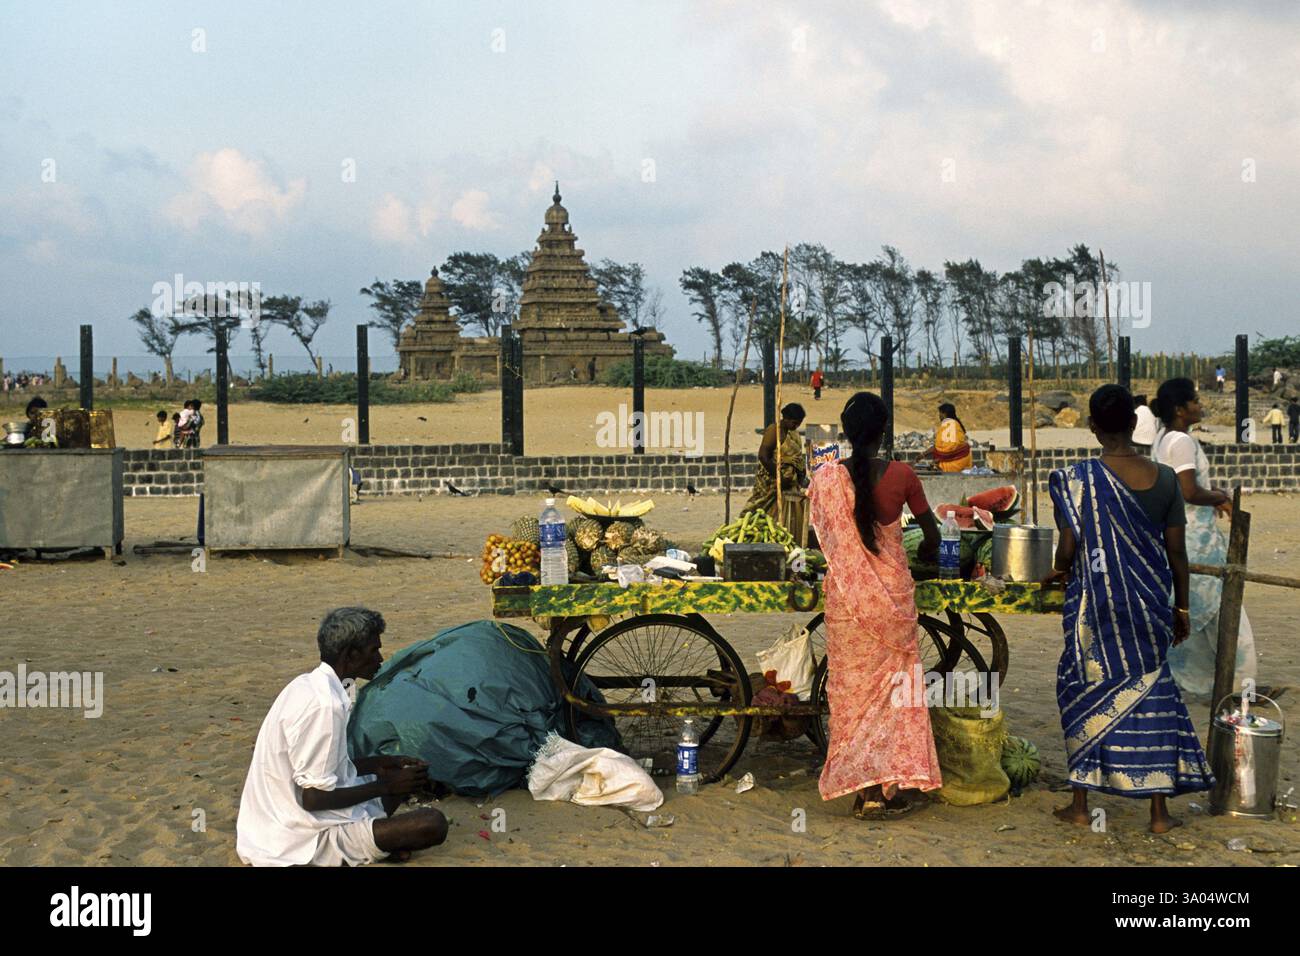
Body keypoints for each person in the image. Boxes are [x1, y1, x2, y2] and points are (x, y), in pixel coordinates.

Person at [1044, 385, 1213, 834]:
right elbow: (1176, 554)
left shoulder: (1076, 480)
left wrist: (1059, 569)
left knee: (1084, 689)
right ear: (1134, 425)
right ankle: (1158, 814)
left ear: (1094, 427)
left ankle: (1081, 803)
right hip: (1150, 604)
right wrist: (1181, 609)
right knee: (1153, 693)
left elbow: (1068, 549)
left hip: (1095, 609)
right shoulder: (1165, 480)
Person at [809, 392, 942, 818]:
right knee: (892, 699)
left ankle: (863, 789)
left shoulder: (826, 479)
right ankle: (886, 789)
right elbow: (933, 536)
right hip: (894, 603)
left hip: (849, 605)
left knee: (852, 699)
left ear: (845, 434)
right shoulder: (903, 475)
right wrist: (924, 555)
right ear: (883, 432)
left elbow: (823, 542)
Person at [236, 607, 447, 867]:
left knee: (402, 778)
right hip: (295, 838)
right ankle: (369, 847)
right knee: (431, 823)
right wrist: (387, 786)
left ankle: (381, 843)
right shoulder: (325, 705)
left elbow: (326, 767)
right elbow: (312, 798)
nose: (380, 658)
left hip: (275, 825)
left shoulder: (309, 685)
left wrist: (379, 763)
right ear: (351, 655)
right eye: (374, 651)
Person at [1149, 378, 1255, 700]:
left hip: (1178, 536)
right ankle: (1239, 685)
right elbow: (1188, 490)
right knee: (1223, 612)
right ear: (1181, 410)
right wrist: (1220, 495)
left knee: (1193, 612)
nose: (1201, 404)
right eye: (1195, 400)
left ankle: (1197, 683)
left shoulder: (1163, 438)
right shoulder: (1181, 441)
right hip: (1195, 538)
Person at [742, 403, 807, 516]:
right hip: (770, 482)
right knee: (758, 509)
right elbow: (763, 456)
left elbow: (798, 458)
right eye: (794, 423)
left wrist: (800, 476)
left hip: (789, 483)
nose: (796, 426)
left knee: (785, 513)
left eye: (798, 424)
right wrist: (780, 478)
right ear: (786, 418)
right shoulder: (773, 431)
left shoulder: (793, 434)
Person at [924, 402, 972, 472]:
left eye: (940, 413)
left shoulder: (950, 425)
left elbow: (950, 448)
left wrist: (938, 459)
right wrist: (922, 455)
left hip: (955, 462)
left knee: (935, 467)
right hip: (961, 459)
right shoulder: (954, 424)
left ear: (944, 414)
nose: (939, 416)